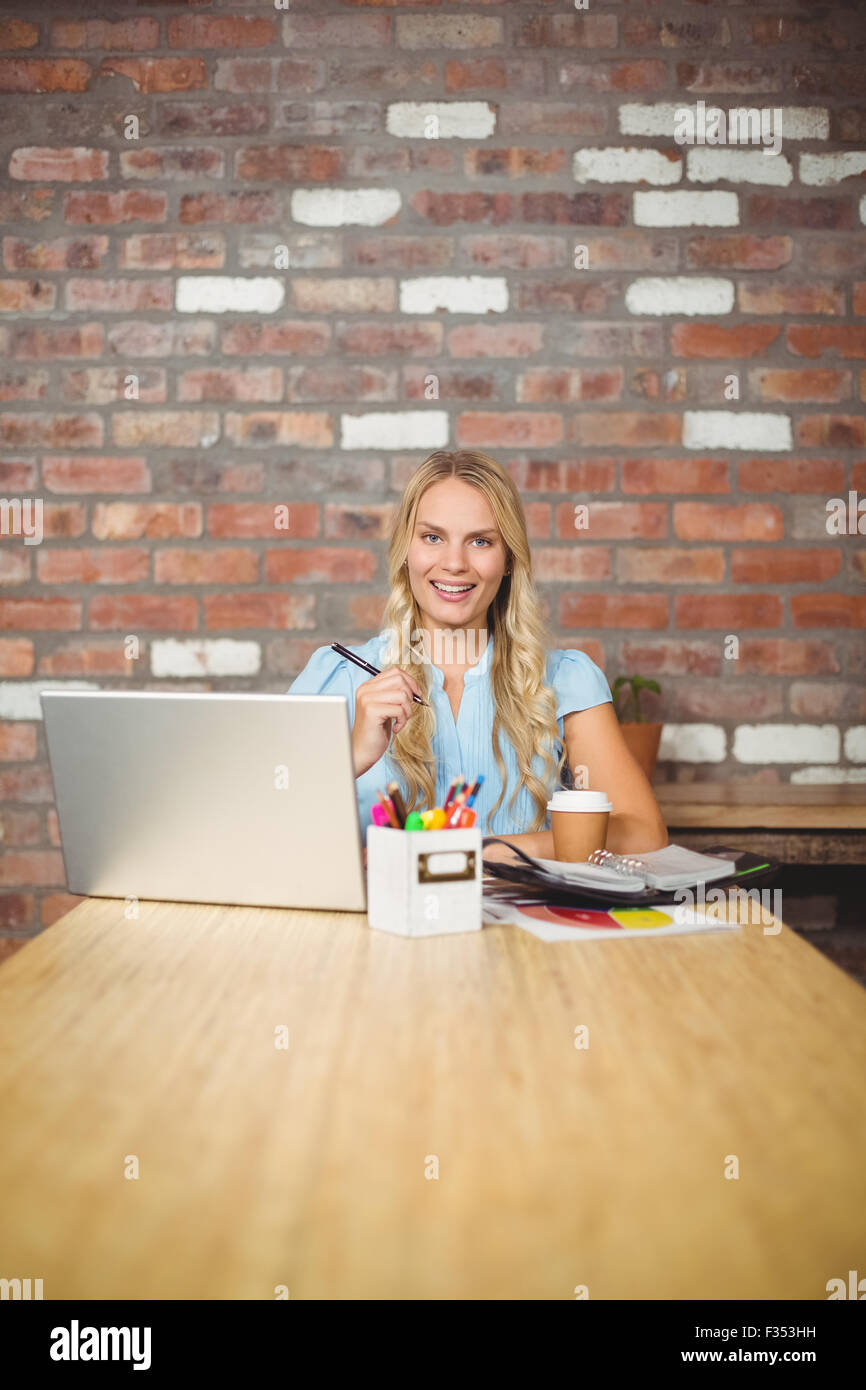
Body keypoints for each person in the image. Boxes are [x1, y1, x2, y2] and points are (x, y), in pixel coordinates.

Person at [288, 449, 668, 865]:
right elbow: (260, 830)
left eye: (481, 541)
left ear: (507, 560)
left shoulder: (564, 682)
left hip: (525, 928)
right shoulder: (336, 676)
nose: (454, 563)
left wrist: (468, 854)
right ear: (405, 551)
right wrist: (353, 754)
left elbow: (643, 833)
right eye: (432, 537)